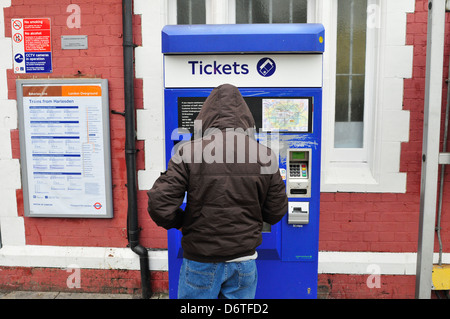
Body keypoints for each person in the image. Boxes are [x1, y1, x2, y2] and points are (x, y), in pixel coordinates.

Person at [147, 83, 288, 299]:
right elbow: (276, 211)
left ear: (206, 116)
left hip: (200, 259)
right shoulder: (265, 155)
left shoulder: (188, 151)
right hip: (244, 260)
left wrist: (182, 222)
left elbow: (159, 203)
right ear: (246, 118)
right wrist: (254, 220)